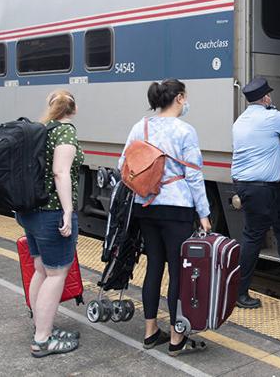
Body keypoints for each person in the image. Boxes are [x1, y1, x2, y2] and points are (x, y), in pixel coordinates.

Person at [118, 79, 210, 356]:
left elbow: (123, 164)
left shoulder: (141, 126)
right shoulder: (185, 131)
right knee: (179, 272)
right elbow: (193, 175)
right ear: (180, 98)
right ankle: (176, 337)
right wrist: (203, 213)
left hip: (145, 206)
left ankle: (150, 332)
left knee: (154, 267)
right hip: (177, 208)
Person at [16, 90, 83, 357]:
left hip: (31, 212)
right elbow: (60, 172)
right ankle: (43, 340)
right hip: (51, 214)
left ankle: (40, 328)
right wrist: (67, 211)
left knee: (41, 270)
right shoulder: (65, 132)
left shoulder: (40, 131)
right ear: (73, 109)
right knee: (56, 274)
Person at [232, 77, 280, 309]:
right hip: (259, 188)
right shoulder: (272, 116)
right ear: (265, 98)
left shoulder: (241, 121)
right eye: (269, 95)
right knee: (253, 237)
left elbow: (271, 142)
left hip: (250, 185)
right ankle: (240, 293)